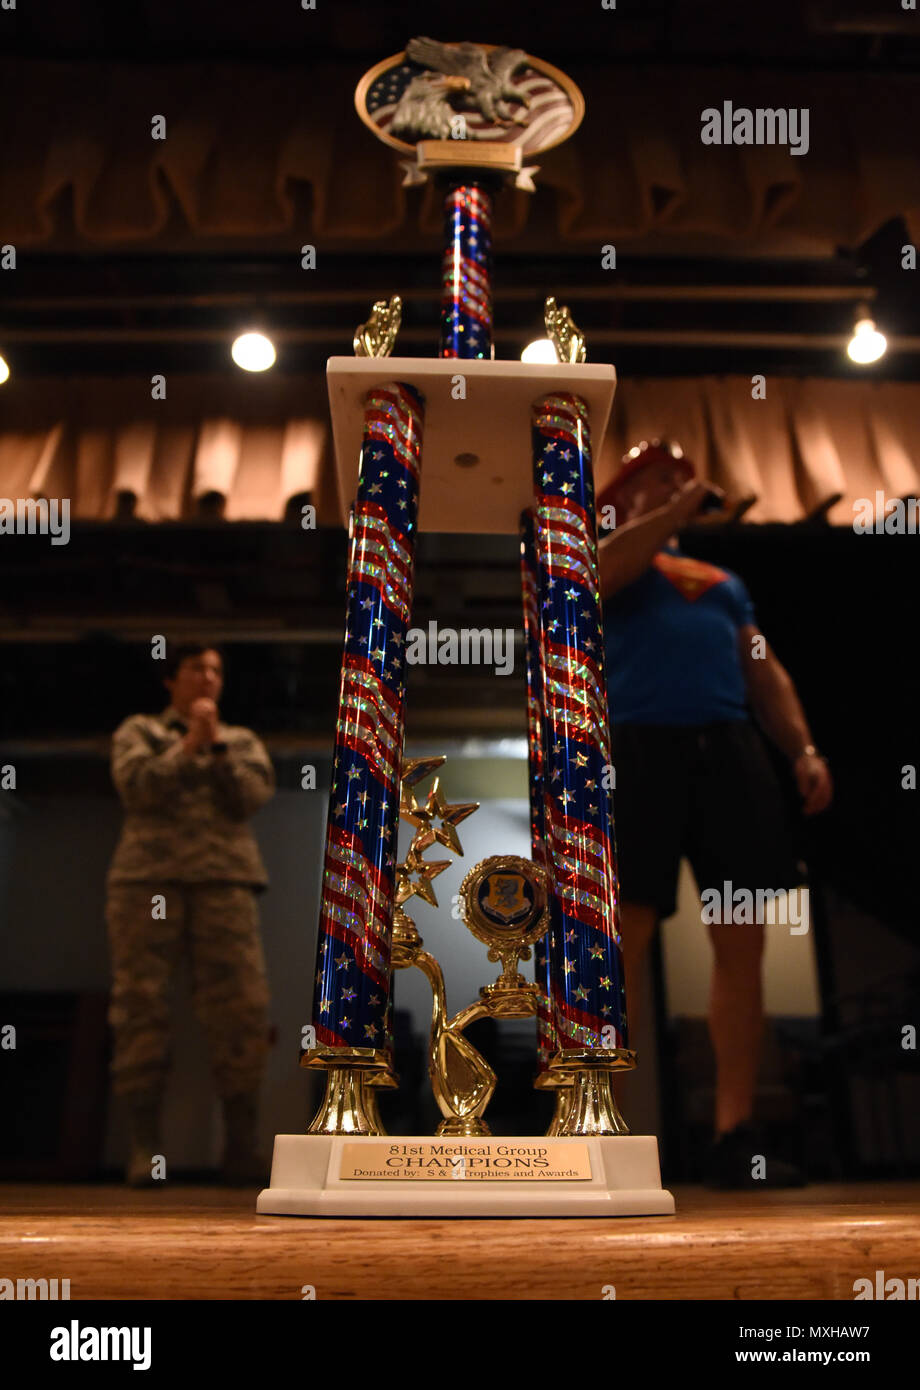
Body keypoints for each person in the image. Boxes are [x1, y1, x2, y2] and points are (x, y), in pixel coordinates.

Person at [598, 440, 833, 1188]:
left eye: (680, 476)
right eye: (658, 478)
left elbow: (762, 667)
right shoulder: (602, 554)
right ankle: (607, 1133)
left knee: (743, 940)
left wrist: (801, 749)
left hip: (728, 748)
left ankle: (735, 1134)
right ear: (627, 494)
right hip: (639, 749)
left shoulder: (726, 582)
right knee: (624, 937)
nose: (678, 485)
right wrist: (668, 507)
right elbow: (602, 573)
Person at [105, 643, 275, 1186]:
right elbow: (137, 789)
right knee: (140, 1006)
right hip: (147, 883)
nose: (207, 678)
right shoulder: (140, 732)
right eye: (196, 668)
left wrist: (216, 747)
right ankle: (145, 1150)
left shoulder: (242, 741)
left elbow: (250, 797)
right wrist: (188, 746)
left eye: (216, 670)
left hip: (223, 883)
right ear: (170, 680)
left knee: (241, 1012)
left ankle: (241, 1149)